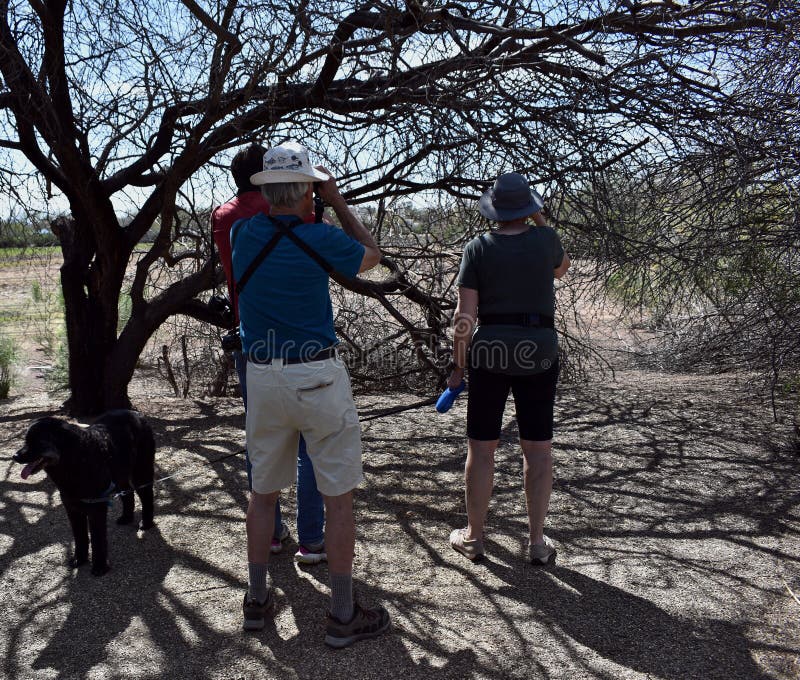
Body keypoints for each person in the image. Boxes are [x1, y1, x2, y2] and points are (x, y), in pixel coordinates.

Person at [232, 141, 390, 647]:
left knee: (263, 493)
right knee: (337, 496)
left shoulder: (242, 234)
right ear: (307, 191)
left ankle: (257, 599)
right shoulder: (319, 235)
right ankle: (342, 613)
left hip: (262, 374)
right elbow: (372, 255)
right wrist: (337, 203)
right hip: (316, 372)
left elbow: (268, 232)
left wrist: (302, 205)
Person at [447, 172, 571, 565]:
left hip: (491, 352)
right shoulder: (546, 240)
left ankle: (474, 537)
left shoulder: (478, 247)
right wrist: (540, 220)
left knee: (481, 448)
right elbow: (562, 268)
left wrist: (458, 365)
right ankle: (536, 542)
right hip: (539, 349)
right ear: (530, 208)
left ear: (494, 211)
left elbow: (465, 317)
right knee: (538, 450)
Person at [212, 144, 326, 565]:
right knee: (310, 445)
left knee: (261, 442)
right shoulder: (300, 212)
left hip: (253, 340)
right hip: (305, 341)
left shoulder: (228, 219)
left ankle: (272, 534)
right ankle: (312, 539)